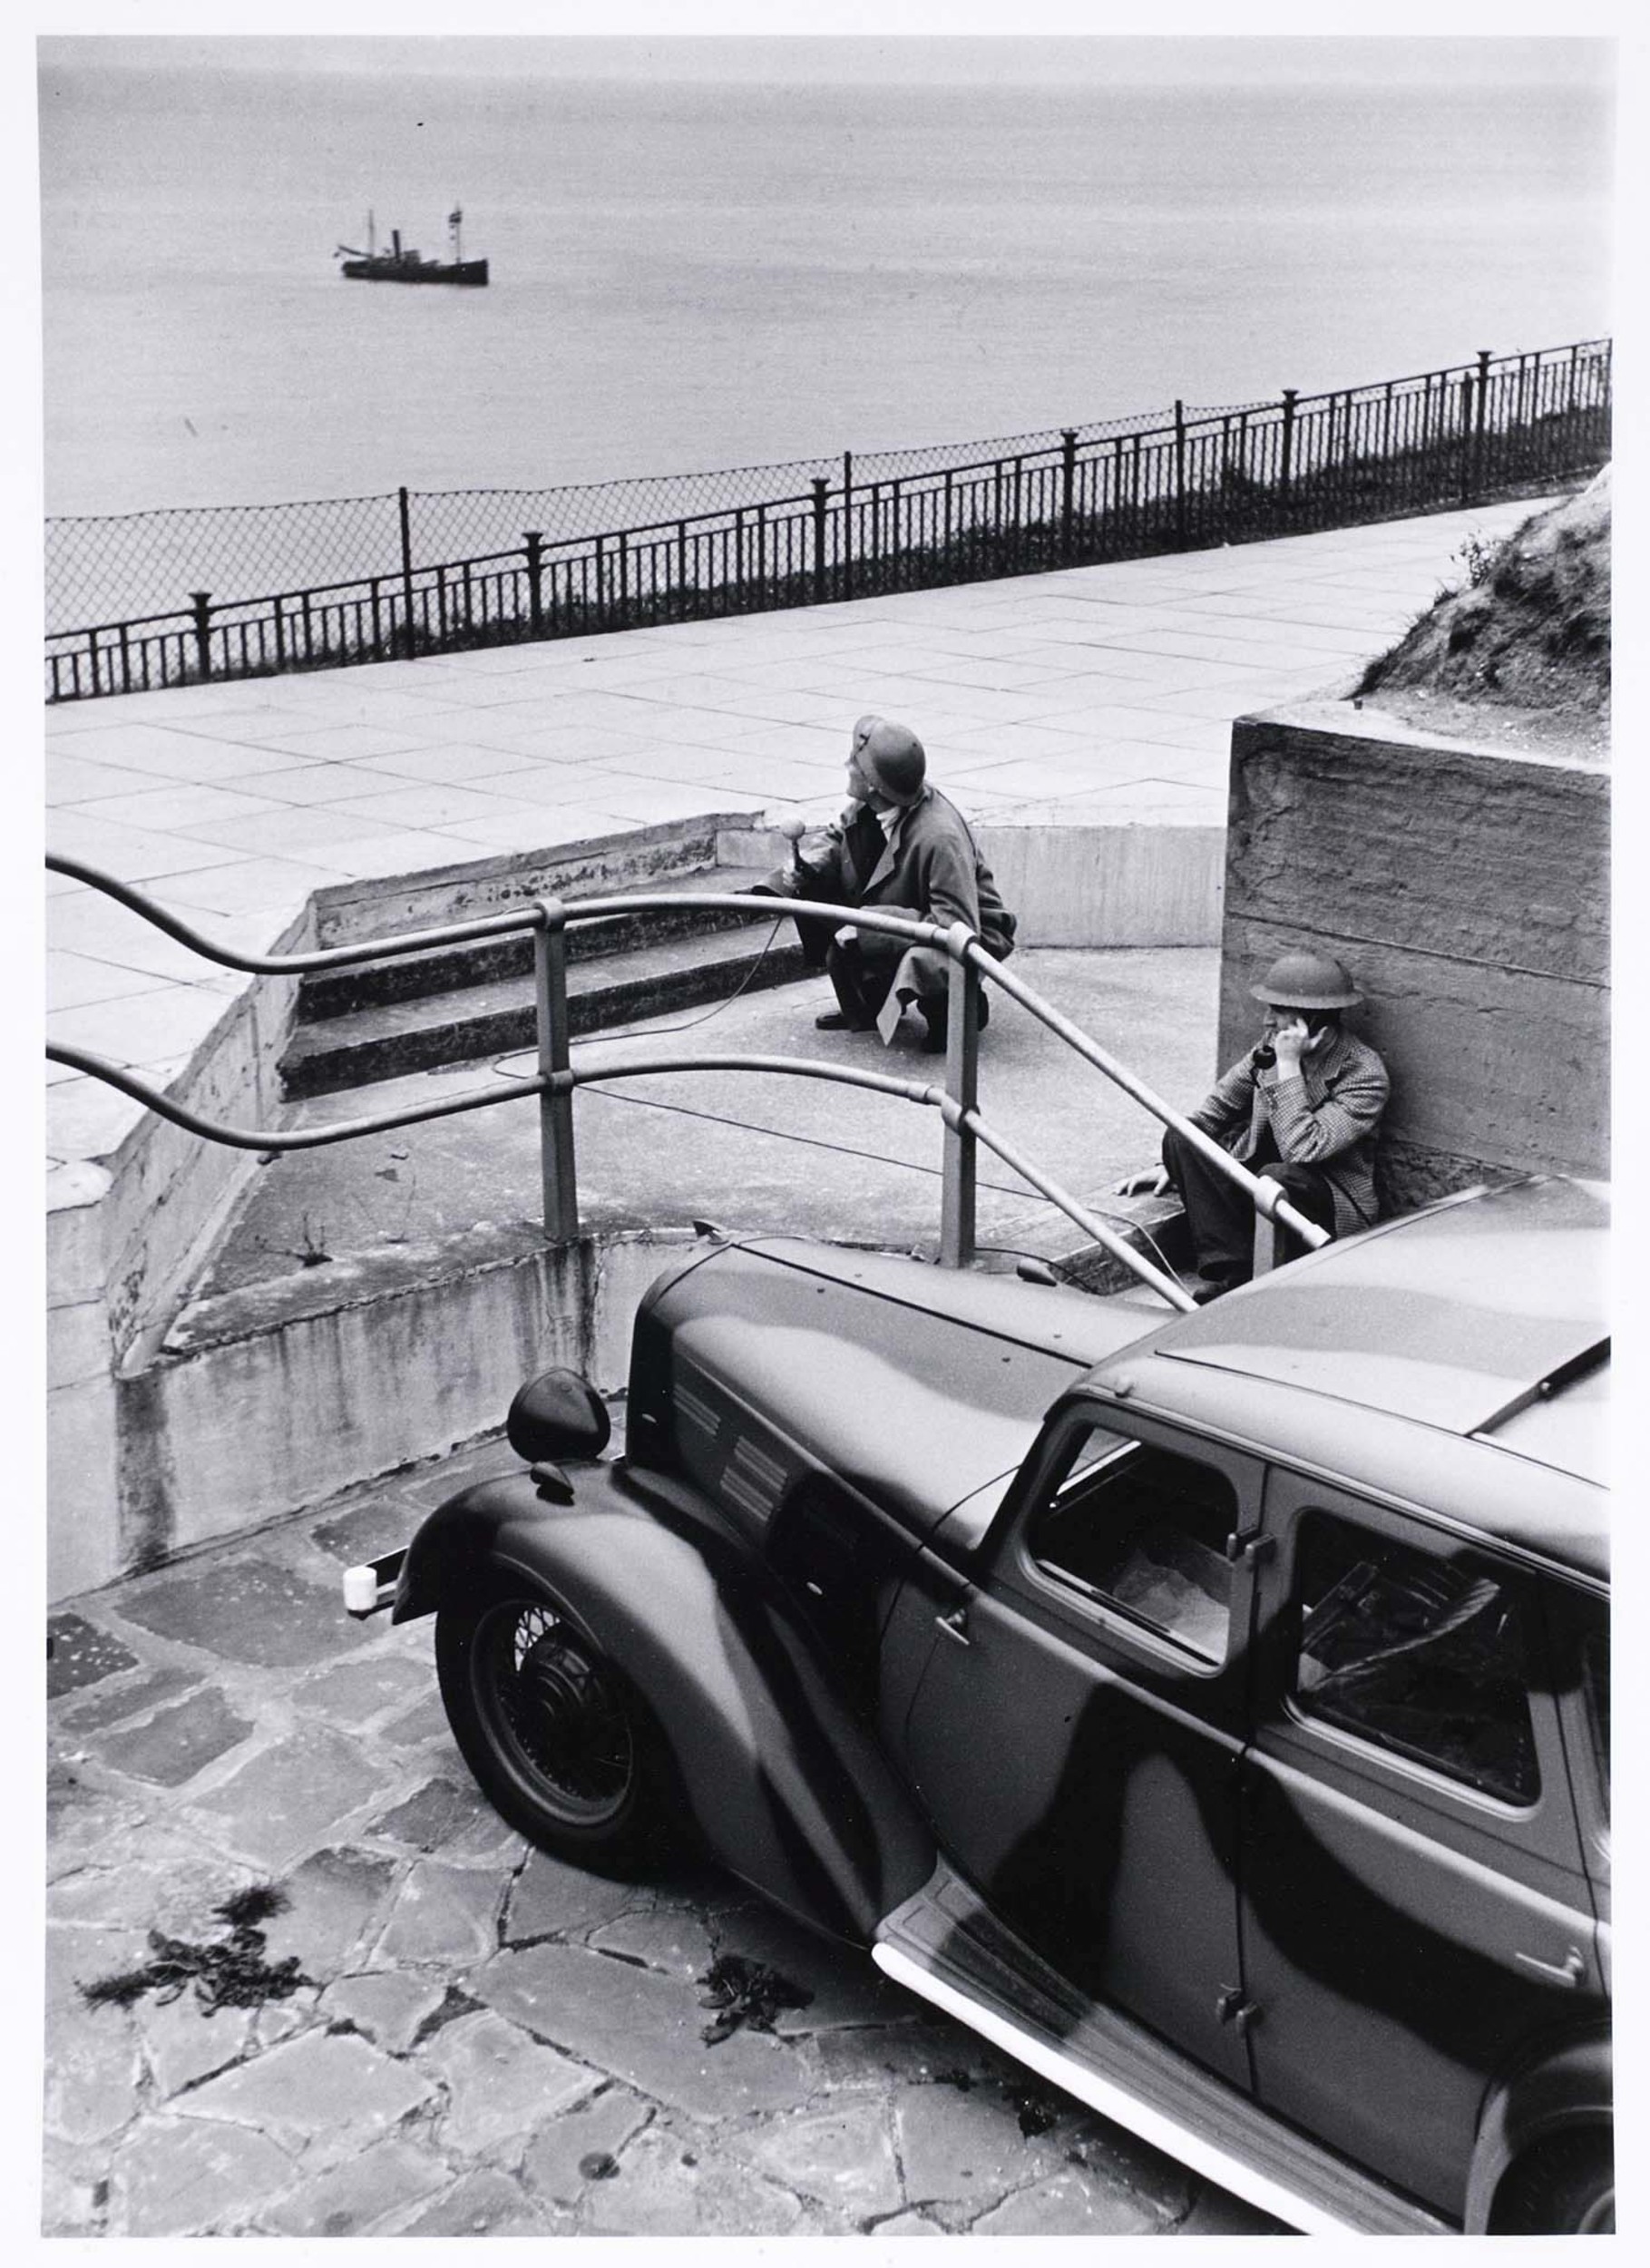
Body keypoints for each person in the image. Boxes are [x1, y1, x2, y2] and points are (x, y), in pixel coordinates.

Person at [1117, 950, 1388, 1296]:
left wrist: (1288, 1066)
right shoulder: (1270, 1046)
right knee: (1182, 1135)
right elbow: (1214, 1111)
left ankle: (1241, 1280)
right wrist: (1174, 1164)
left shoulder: (1364, 1074)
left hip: (1319, 1202)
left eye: (1278, 1011)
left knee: (1278, 1176)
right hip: (1256, 1186)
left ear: (1314, 1019)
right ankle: (1235, 1271)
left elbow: (1302, 1150)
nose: (1266, 1021)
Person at [760, 716, 1016, 1051]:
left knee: (925, 957)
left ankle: (957, 1012)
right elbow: (837, 838)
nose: (847, 765)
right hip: (906, 904)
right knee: (813, 890)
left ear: (873, 785)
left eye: (854, 763)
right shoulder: (872, 802)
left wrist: (871, 926)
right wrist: (808, 867)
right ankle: (867, 1003)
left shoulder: (940, 838)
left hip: (970, 933)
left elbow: (957, 928)